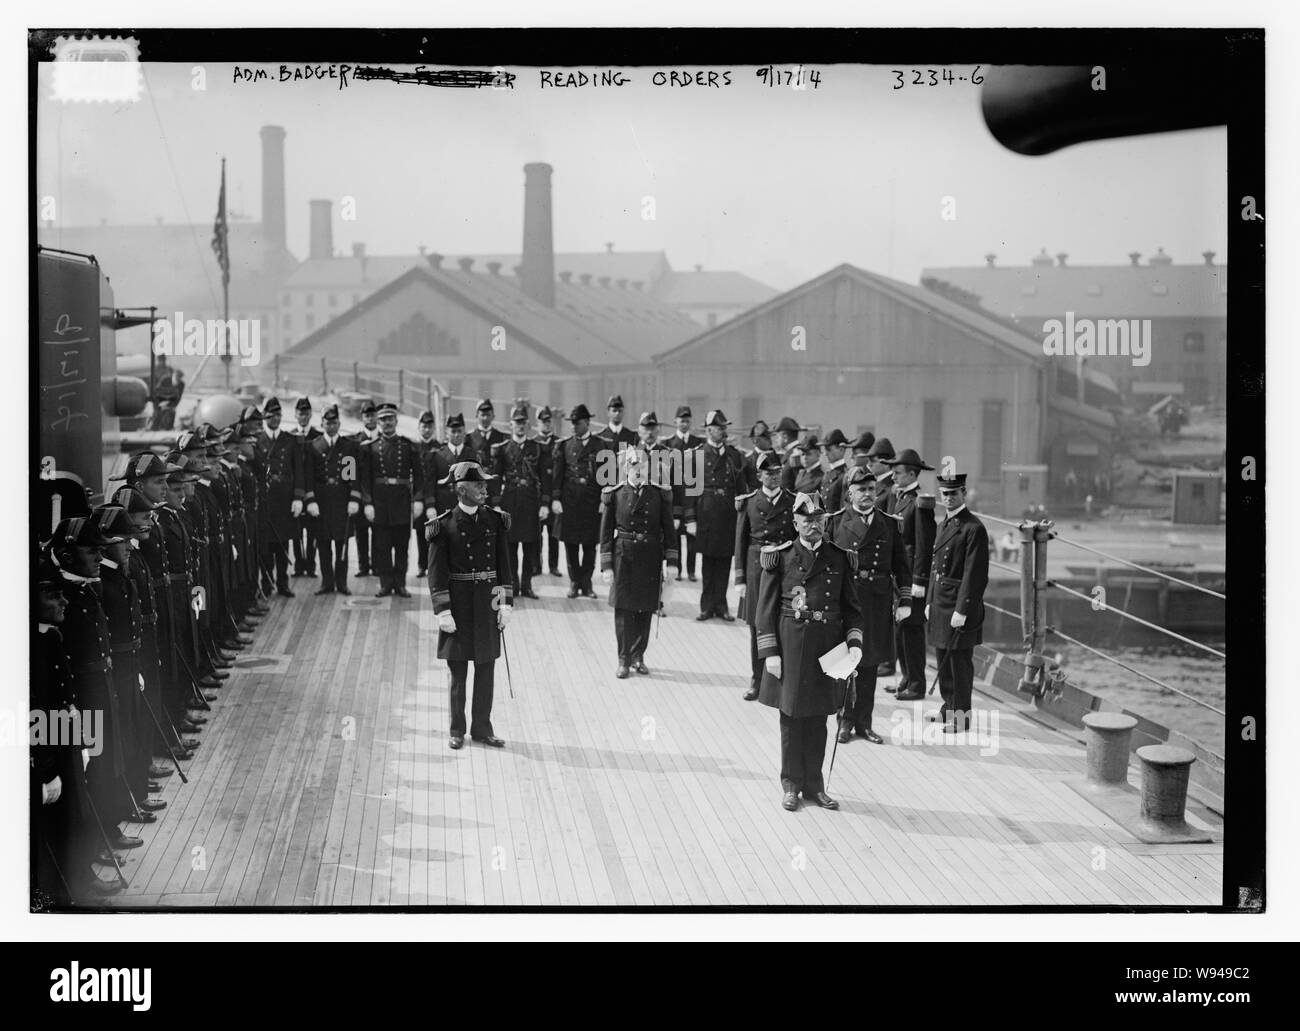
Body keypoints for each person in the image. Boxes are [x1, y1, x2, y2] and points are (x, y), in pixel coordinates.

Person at [754, 493, 863, 812]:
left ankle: (815, 785)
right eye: (806, 519)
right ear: (795, 522)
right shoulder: (782, 556)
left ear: (825, 521)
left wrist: (854, 646)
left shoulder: (840, 558)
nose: (812, 525)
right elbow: (765, 610)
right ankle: (791, 784)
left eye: (817, 519)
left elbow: (852, 609)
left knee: (819, 717)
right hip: (791, 645)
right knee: (790, 716)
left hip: (828, 646)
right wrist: (770, 652)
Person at [32, 551, 107, 903]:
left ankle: (82, 879)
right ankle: (66, 892)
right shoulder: (32, 648)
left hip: (65, 738)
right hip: (49, 748)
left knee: (79, 810)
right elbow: (33, 713)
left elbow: (67, 698)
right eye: (53, 596)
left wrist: (81, 742)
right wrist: (47, 771)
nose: (63, 601)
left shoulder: (53, 637)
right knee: (61, 822)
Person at [428, 462, 513, 750]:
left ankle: (482, 728)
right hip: (459, 607)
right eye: (479, 486)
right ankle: (456, 729)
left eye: (485, 485)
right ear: (462, 490)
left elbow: (503, 567)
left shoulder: (494, 520)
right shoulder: (444, 525)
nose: (485, 490)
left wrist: (505, 604)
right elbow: (436, 573)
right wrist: (442, 610)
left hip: (487, 603)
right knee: (458, 672)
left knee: (486, 668)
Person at [827, 467, 911, 744]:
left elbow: (901, 564)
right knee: (847, 664)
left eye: (871, 489)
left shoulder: (888, 524)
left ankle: (864, 723)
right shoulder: (836, 523)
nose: (867, 495)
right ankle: (845, 720)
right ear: (849, 492)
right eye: (861, 489)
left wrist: (905, 600)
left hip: (876, 601)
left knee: (871, 664)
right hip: (848, 602)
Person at [599, 448, 678, 677]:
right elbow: (605, 534)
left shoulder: (658, 494)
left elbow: (669, 530)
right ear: (626, 468)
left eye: (642, 467)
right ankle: (623, 658)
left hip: (650, 557)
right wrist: (606, 566)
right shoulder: (615, 494)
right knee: (623, 610)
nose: (638, 471)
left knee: (645, 609)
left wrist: (671, 562)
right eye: (634, 467)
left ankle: (638, 656)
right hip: (624, 557)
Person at [925, 473, 990, 733]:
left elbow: (974, 574)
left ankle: (961, 718)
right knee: (943, 656)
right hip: (940, 601)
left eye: (953, 493)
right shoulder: (944, 524)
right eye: (945, 493)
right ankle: (948, 707)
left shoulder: (973, 528)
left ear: (963, 492)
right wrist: (929, 600)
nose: (948, 498)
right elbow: (934, 567)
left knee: (959, 663)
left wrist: (963, 609)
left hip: (959, 605)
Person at [733, 450, 796, 700]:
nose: (774, 477)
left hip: (783, 568)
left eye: (778, 472)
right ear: (759, 475)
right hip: (756, 569)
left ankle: (779, 682)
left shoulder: (792, 502)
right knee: (757, 627)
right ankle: (757, 680)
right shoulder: (749, 502)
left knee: (783, 623)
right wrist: (739, 578)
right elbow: (740, 541)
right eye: (769, 473)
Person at [885, 448, 937, 702]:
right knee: (900, 629)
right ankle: (906, 677)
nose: (893, 477)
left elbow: (924, 546)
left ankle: (917, 684)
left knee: (913, 630)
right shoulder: (901, 498)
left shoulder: (920, 503)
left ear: (912, 474)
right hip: (899, 577)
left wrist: (919, 581)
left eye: (897, 473)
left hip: (912, 581)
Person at [685, 409, 746, 621]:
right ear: (708, 430)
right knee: (708, 563)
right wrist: (690, 518)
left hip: (727, 516)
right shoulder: (697, 455)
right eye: (719, 428)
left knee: (724, 563)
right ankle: (706, 606)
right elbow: (690, 490)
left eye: (724, 428)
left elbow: (741, 488)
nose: (722, 431)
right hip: (706, 515)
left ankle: (722, 605)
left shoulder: (734, 456)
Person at [361, 402, 425, 598]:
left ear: (396, 420)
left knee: (401, 546)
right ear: (378, 423)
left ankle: (400, 584)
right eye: (382, 420)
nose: (386, 423)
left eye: (390, 419)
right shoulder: (369, 448)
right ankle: (385, 584)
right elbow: (364, 479)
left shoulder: (408, 446)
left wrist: (418, 500)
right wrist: (368, 503)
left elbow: (420, 476)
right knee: (382, 546)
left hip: (401, 502)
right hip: (380, 503)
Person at [304, 404, 363, 595]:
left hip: (341, 501)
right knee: (323, 544)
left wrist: (354, 499)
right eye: (327, 423)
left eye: (334, 422)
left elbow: (352, 476)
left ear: (339, 423)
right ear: (321, 424)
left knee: (342, 544)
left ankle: (341, 583)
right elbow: (309, 477)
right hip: (321, 503)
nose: (331, 426)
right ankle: (327, 582)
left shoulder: (348, 446)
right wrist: (311, 501)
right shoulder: (313, 446)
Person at [492, 402, 549, 600]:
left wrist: (545, 504)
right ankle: (513, 585)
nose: (521, 426)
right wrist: (496, 503)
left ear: (529, 425)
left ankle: (527, 584)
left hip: (531, 501)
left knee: (530, 545)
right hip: (510, 501)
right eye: (517, 422)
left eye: (524, 422)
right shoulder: (503, 449)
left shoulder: (537, 448)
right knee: (511, 546)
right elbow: (496, 477)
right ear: (511, 425)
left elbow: (545, 478)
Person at [551, 403, 607, 599]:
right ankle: (575, 582)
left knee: (591, 545)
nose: (574, 426)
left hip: (592, 502)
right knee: (571, 544)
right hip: (570, 501)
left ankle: (587, 582)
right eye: (572, 423)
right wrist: (556, 499)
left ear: (587, 423)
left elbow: (607, 477)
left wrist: (604, 499)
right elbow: (557, 475)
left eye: (578, 423)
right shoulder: (564, 445)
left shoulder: (601, 445)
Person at [255, 397, 304, 597]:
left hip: (285, 499)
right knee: (266, 547)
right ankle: (267, 584)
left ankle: (283, 583)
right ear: (265, 416)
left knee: (284, 544)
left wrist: (298, 497)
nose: (275, 418)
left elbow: (298, 470)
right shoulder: (257, 440)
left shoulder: (290, 440)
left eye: (278, 415)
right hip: (266, 501)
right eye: (271, 415)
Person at [664, 405, 703, 582]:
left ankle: (692, 571)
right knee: (676, 535)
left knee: (693, 536)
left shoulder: (698, 443)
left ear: (690, 422)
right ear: (675, 422)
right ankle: (678, 570)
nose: (684, 424)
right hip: (675, 496)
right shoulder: (668, 443)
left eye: (687, 421)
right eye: (681, 421)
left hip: (693, 496)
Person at [290, 397, 322, 577]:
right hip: (295, 491)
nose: (304, 417)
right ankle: (298, 565)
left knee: (312, 533)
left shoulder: (317, 437)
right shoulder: (290, 436)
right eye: (301, 413)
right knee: (295, 532)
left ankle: (310, 565)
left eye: (307, 413)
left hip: (313, 492)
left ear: (311, 415)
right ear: (295, 415)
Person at [350, 400, 381, 577]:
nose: (370, 418)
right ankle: (363, 566)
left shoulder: (383, 439)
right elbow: (349, 472)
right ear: (362, 418)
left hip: (379, 495)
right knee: (361, 532)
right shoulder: (355, 442)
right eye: (366, 415)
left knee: (378, 532)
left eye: (372, 414)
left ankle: (376, 566)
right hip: (361, 495)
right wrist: (353, 496)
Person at [532, 406, 561, 577]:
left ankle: (554, 566)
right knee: (537, 534)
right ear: (538, 423)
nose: (547, 424)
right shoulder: (533, 443)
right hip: (537, 495)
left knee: (553, 534)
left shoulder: (558, 443)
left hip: (554, 493)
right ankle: (537, 566)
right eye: (543, 421)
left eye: (549, 421)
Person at [412, 410, 442, 577]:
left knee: (435, 533)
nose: (427, 430)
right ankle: (421, 565)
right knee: (419, 532)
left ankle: (433, 566)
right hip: (418, 496)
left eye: (430, 426)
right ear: (419, 427)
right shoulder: (413, 447)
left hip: (435, 497)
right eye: (424, 426)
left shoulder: (439, 447)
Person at [467, 398, 507, 468]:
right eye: (482, 415)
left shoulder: (502, 437)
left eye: (488, 415)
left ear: (493, 416)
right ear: (476, 416)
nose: (485, 418)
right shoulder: (469, 437)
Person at [820, 428, 850, 512]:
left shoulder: (845, 475)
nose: (825, 453)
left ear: (841, 450)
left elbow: (844, 510)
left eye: (828, 449)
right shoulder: (827, 474)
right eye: (825, 450)